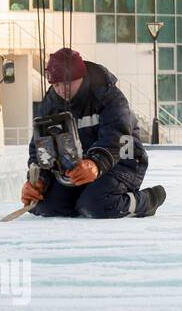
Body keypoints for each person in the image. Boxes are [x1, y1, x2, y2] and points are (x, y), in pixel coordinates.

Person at [23, 47, 166, 218]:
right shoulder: (50, 104)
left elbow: (117, 136)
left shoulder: (107, 95)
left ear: (80, 77)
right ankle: (81, 198)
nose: (60, 89)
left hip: (122, 162)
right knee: (45, 206)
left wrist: (95, 164)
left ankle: (148, 200)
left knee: (97, 205)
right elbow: (40, 147)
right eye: (55, 84)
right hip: (76, 169)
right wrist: (38, 180)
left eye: (65, 83)